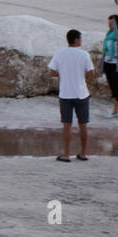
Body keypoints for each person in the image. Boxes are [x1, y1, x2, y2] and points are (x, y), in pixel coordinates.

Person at [49, 29, 96, 161]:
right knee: (83, 125)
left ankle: (66, 154)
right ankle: (83, 153)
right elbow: (91, 73)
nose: (81, 41)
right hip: (81, 93)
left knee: (67, 125)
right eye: (80, 39)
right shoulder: (84, 54)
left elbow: (52, 72)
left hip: (65, 94)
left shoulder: (60, 54)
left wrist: (62, 74)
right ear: (76, 40)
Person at [102, 14, 118, 121]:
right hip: (108, 63)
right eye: (109, 23)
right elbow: (105, 49)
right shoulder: (109, 34)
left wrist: (115, 27)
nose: (110, 25)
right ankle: (115, 111)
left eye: (112, 23)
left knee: (117, 88)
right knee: (112, 88)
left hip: (116, 64)